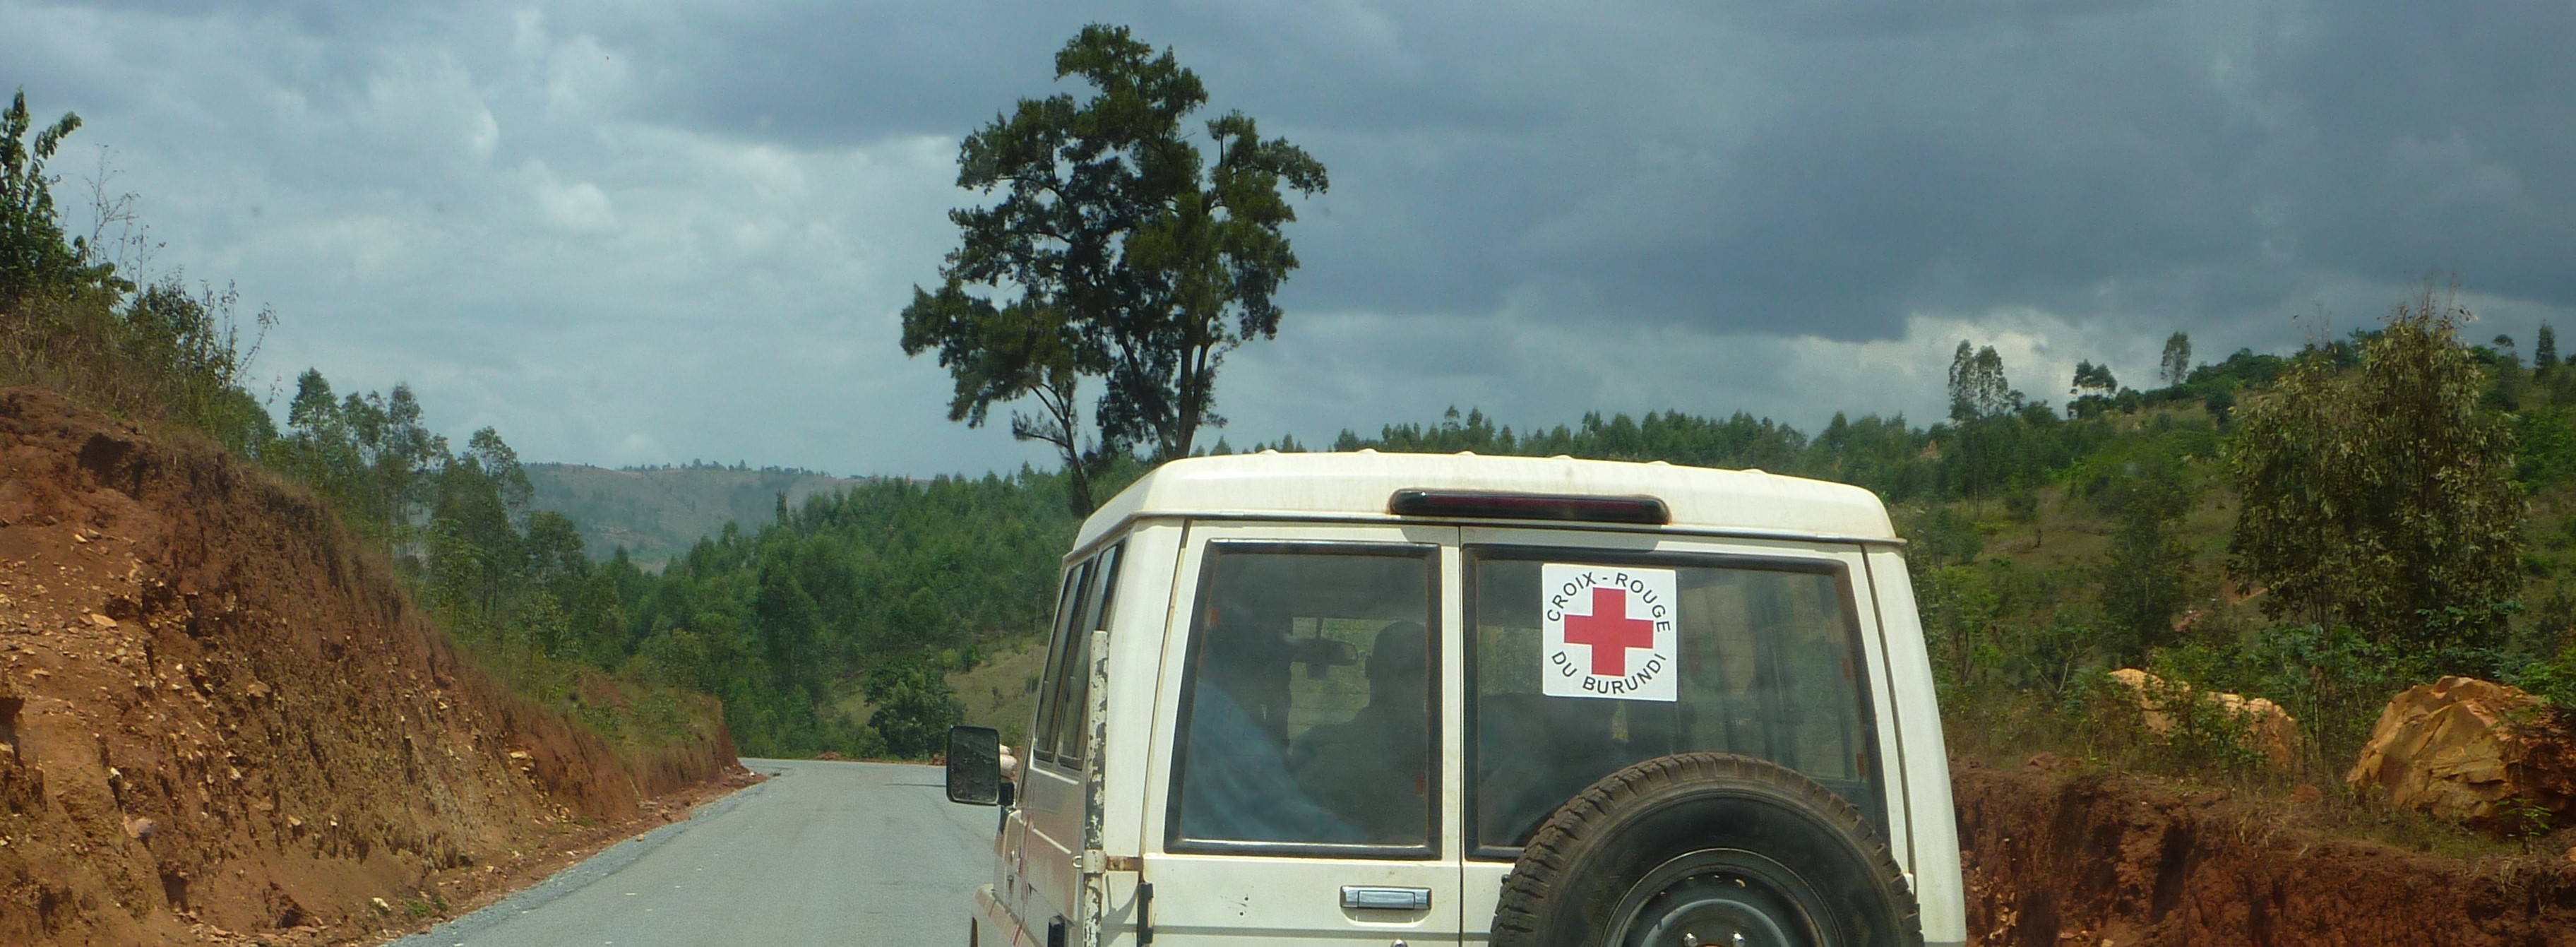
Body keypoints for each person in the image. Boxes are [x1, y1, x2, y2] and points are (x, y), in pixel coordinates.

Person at [1286, 621, 1432, 845]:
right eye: (1400, 671)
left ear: (1369, 668)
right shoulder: (1459, 761)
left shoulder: (1315, 747)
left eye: (1412, 671)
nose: (1403, 684)